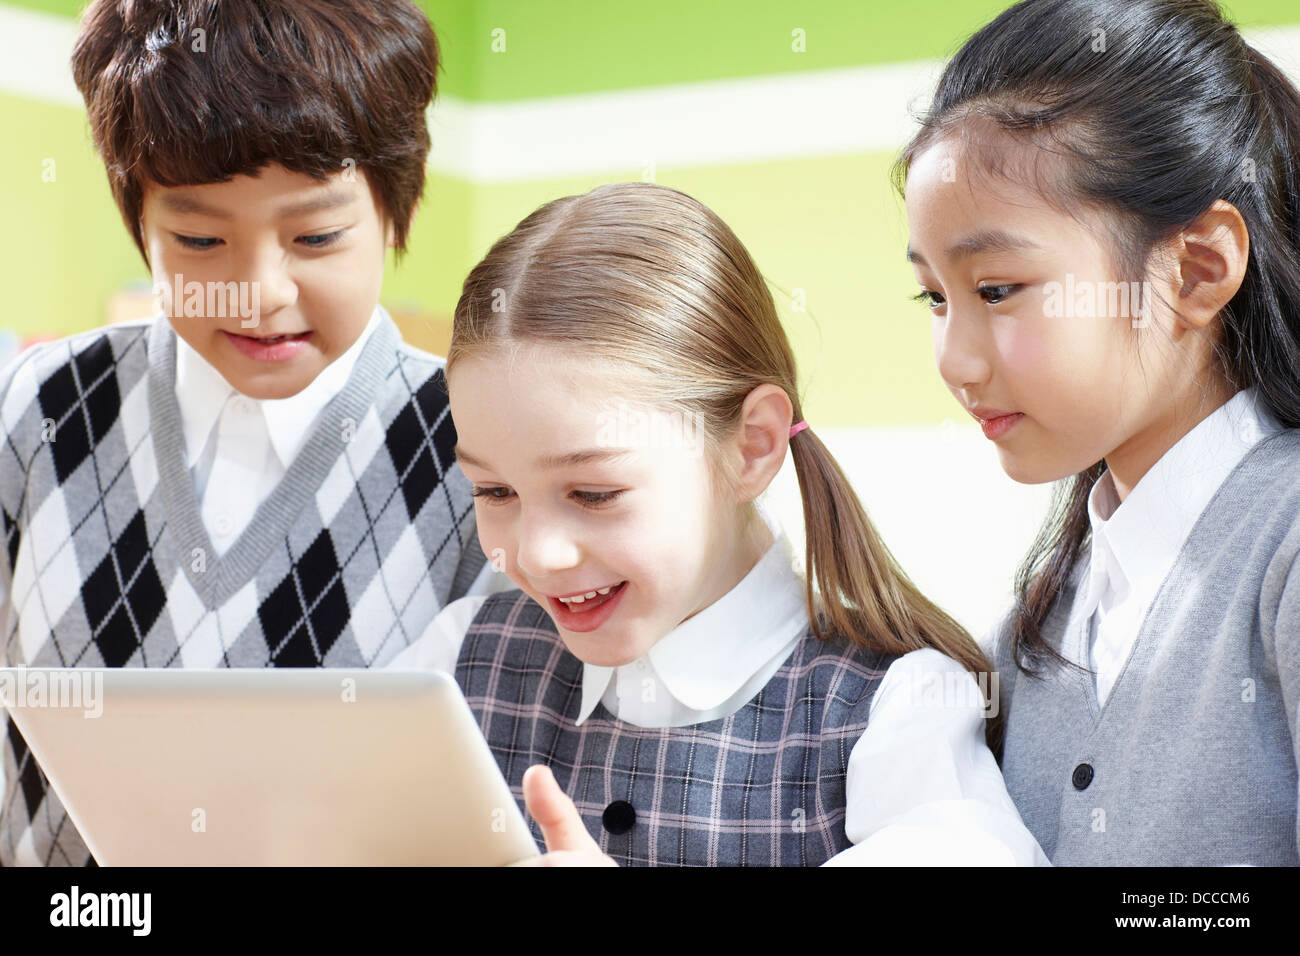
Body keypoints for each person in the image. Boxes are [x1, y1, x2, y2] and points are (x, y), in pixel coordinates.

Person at [389, 180, 1049, 866]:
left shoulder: (898, 706)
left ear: (753, 445)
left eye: (591, 492)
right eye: (494, 490)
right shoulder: (455, 662)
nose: (539, 552)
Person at [0, 0, 504, 867]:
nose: (258, 292)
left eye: (316, 235)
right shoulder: (39, 406)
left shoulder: (478, 443)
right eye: (198, 239)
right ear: (139, 224)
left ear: (392, 212)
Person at [896, 0, 1300, 864]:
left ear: (1195, 271)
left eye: (997, 289)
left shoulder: (1288, 552)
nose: (955, 362)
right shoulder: (1037, 622)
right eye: (935, 297)